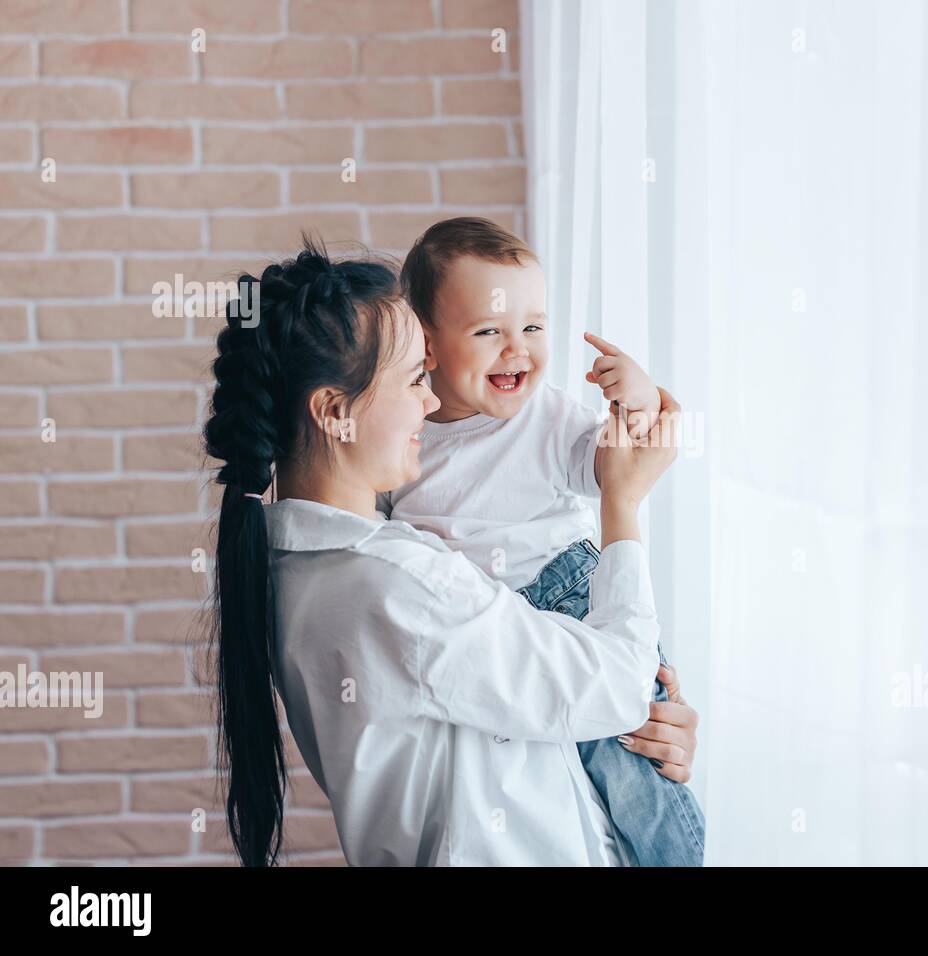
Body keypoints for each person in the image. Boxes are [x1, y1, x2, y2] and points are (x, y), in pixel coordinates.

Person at [203, 237, 695, 866]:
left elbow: (524, 723)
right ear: (334, 412)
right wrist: (622, 505)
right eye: (415, 378)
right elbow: (618, 686)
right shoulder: (399, 583)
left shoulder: (298, 570)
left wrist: (635, 732)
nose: (432, 402)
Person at [385, 217, 705, 865]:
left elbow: (614, 459)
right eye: (488, 331)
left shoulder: (548, 414)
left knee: (636, 771)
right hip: (488, 629)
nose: (518, 350)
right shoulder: (405, 441)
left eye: (533, 327)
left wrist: (637, 398)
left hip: (573, 599)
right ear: (427, 342)